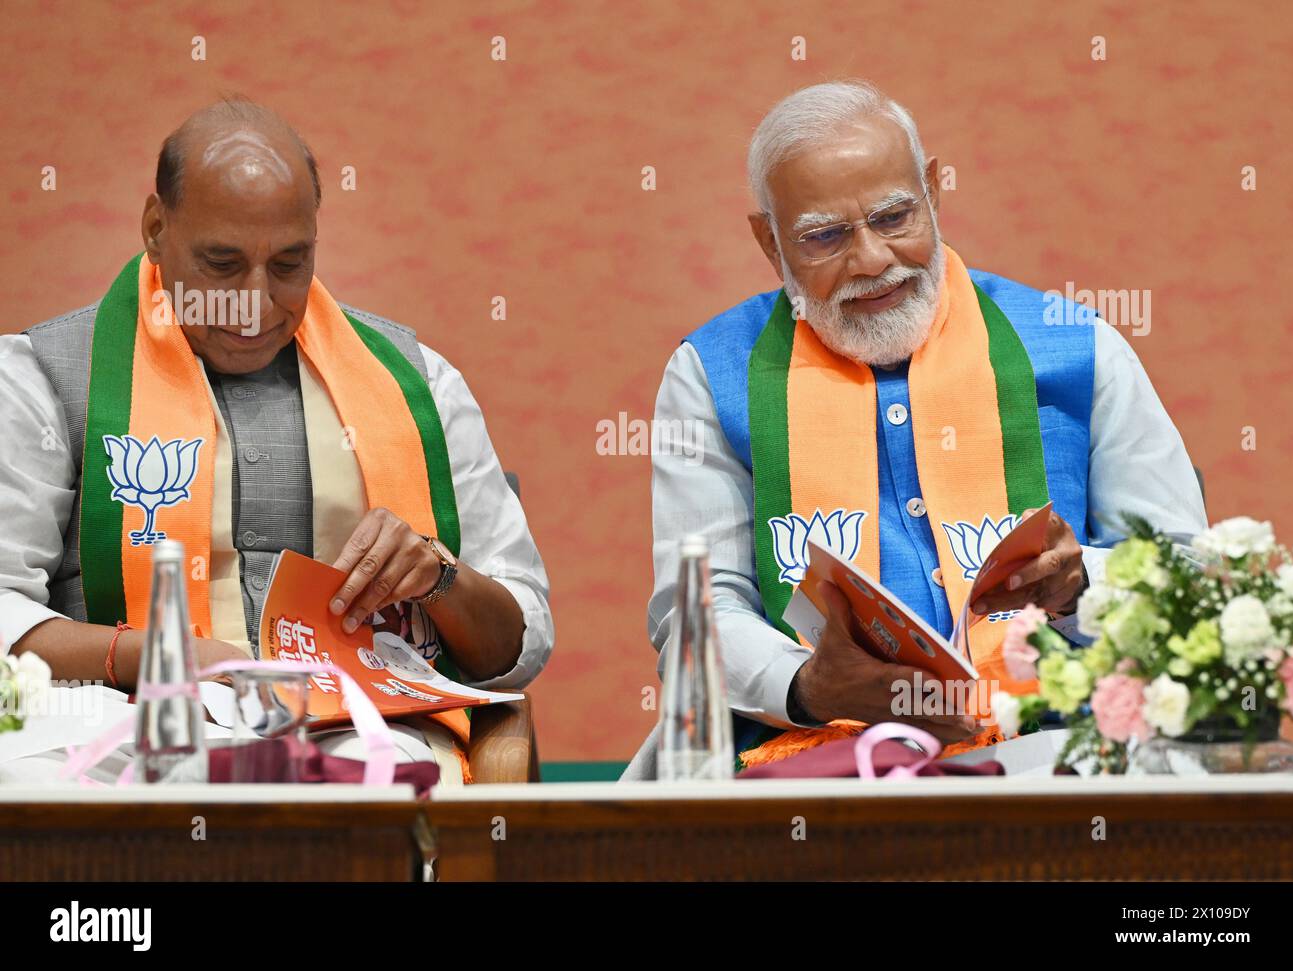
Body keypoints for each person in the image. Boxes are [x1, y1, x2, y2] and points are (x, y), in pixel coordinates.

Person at [623, 80, 1206, 778]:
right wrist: (806, 687)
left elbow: (1189, 577)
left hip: (1065, 756)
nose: (871, 260)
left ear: (932, 191)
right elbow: (699, 609)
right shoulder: (710, 372)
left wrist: (1082, 586)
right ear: (769, 242)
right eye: (824, 236)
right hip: (815, 762)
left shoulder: (1079, 347)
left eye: (894, 216)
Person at [0, 97, 553, 785]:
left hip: (350, 728)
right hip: (118, 720)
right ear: (154, 228)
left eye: (290, 263)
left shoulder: (420, 383)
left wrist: (438, 578)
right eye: (222, 263)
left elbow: (520, 639)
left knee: (375, 796)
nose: (255, 301)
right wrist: (151, 655)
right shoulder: (41, 377)